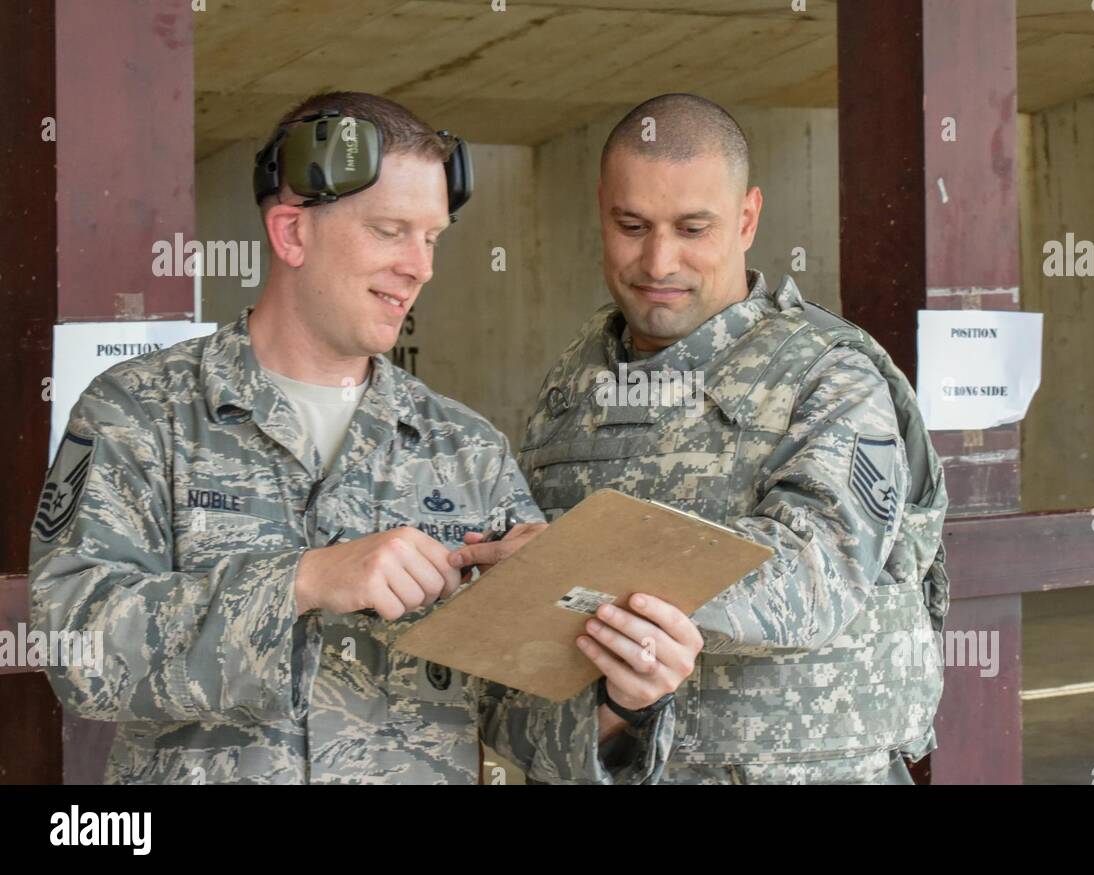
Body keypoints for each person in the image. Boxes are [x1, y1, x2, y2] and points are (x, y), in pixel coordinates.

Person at [28, 91, 701, 784]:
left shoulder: (467, 451)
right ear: (291, 233)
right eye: (391, 230)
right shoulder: (141, 413)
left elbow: (520, 721)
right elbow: (80, 653)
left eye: (432, 237)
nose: (421, 266)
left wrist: (626, 697)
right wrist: (306, 580)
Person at [452, 93, 950, 785]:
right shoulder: (573, 383)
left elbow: (812, 575)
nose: (659, 261)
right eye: (632, 225)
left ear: (746, 219)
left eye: (693, 228)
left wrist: (579, 569)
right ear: (601, 208)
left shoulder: (830, 375)